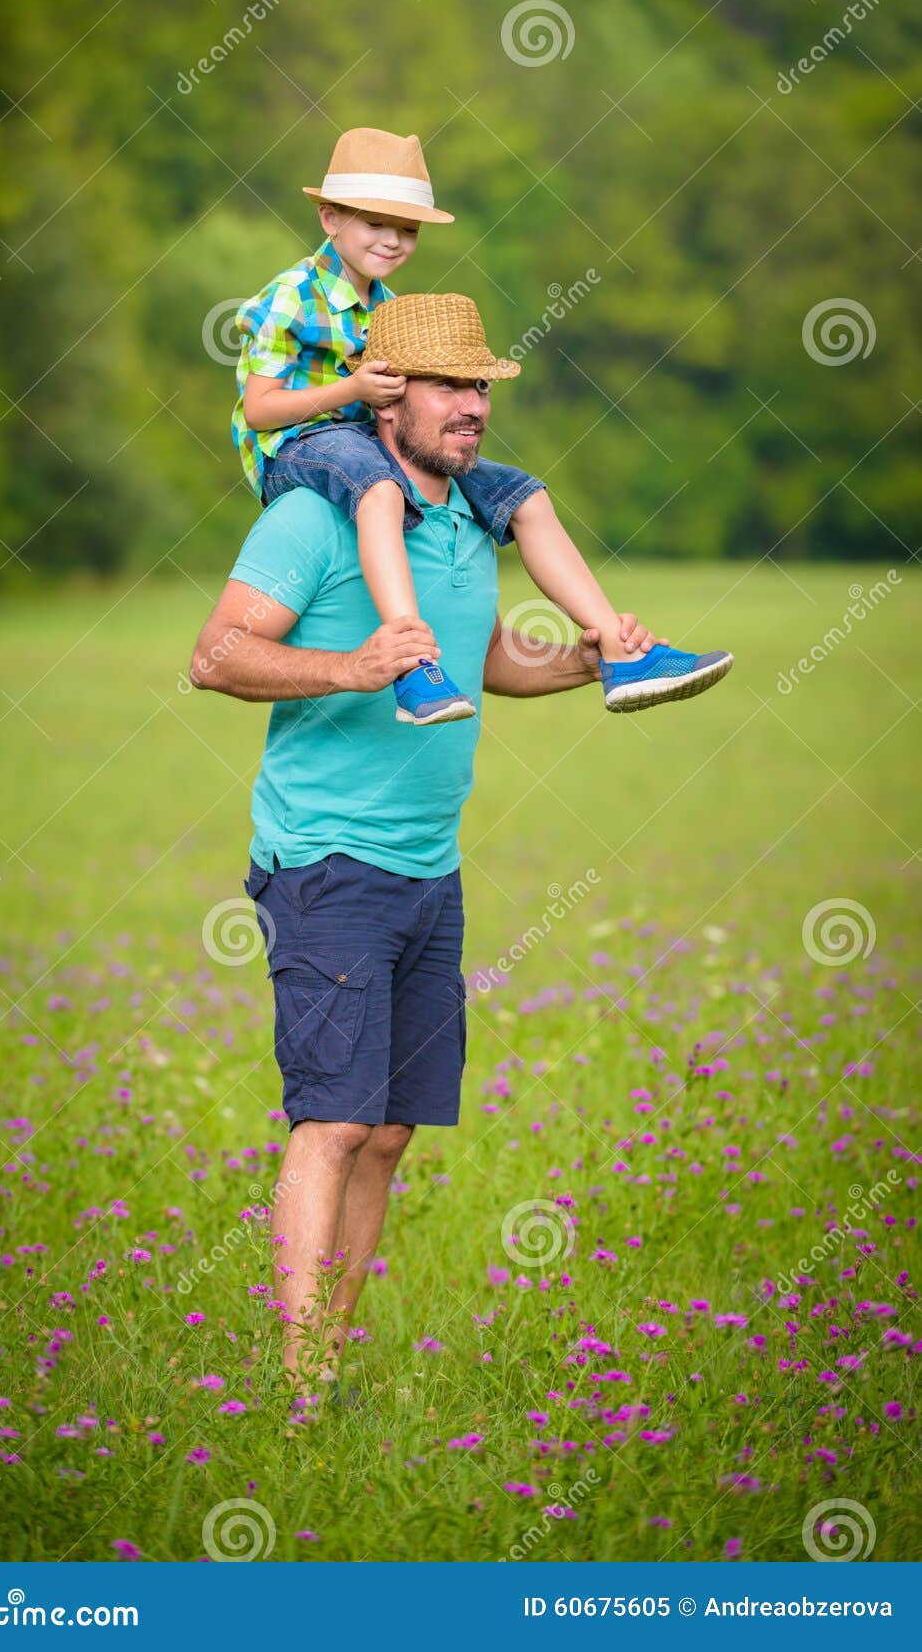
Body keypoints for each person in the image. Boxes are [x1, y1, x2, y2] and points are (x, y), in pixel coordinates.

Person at [190, 293, 665, 1402]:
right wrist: (354, 665)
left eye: (482, 389)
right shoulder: (313, 516)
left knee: (393, 1128)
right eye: (451, 388)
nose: (472, 408)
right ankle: (300, 1387)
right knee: (333, 1119)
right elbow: (216, 656)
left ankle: (329, 1352)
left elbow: (477, 654)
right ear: (391, 394)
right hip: (325, 859)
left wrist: (585, 663)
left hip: (426, 867)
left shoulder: (461, 524)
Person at [230, 125, 732, 725]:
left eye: (408, 229)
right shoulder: (291, 296)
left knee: (523, 496)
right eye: (375, 223)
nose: (393, 241)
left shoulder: (389, 305)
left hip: (365, 436)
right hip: (293, 444)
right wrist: (351, 390)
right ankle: (413, 658)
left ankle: (619, 650)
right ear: (329, 217)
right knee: (380, 486)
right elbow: (258, 409)